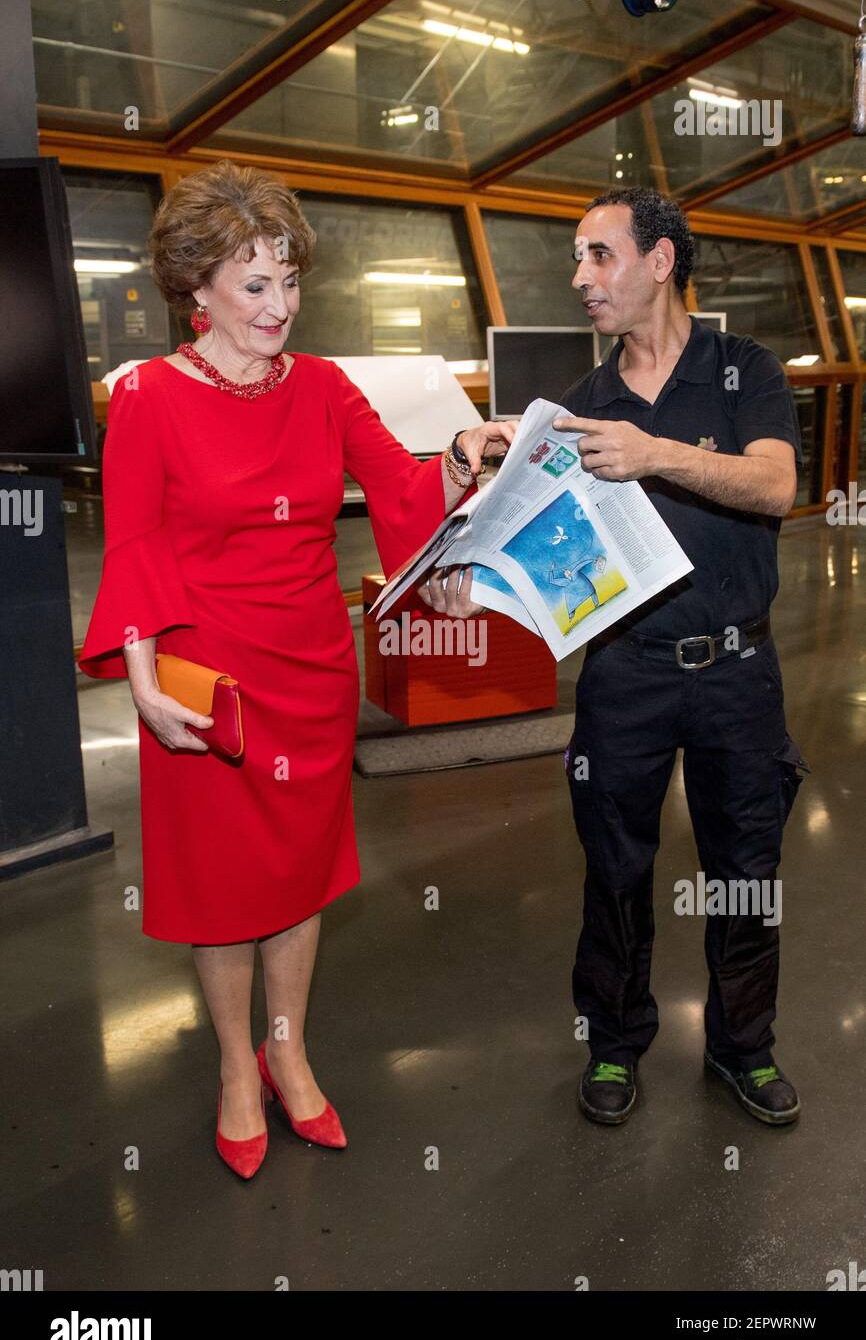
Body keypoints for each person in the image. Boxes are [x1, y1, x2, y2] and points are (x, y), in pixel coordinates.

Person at [78, 159, 515, 1178]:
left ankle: (290, 1050)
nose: (280, 305)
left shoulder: (322, 386)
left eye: (288, 280)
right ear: (197, 290)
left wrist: (456, 456)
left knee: (298, 879)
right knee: (223, 885)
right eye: (254, 283)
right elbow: (135, 541)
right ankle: (238, 1067)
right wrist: (142, 683)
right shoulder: (144, 395)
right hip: (206, 681)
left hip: (311, 669)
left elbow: (403, 488)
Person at [424, 185, 807, 1129]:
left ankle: (743, 1048)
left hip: (737, 671)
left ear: (661, 261)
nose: (581, 277)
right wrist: (463, 543)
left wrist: (655, 453)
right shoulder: (575, 409)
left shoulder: (741, 367)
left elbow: (776, 485)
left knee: (746, 865)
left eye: (599, 255)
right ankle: (613, 1042)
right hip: (625, 675)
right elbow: (534, 553)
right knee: (615, 867)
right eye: (576, 260)